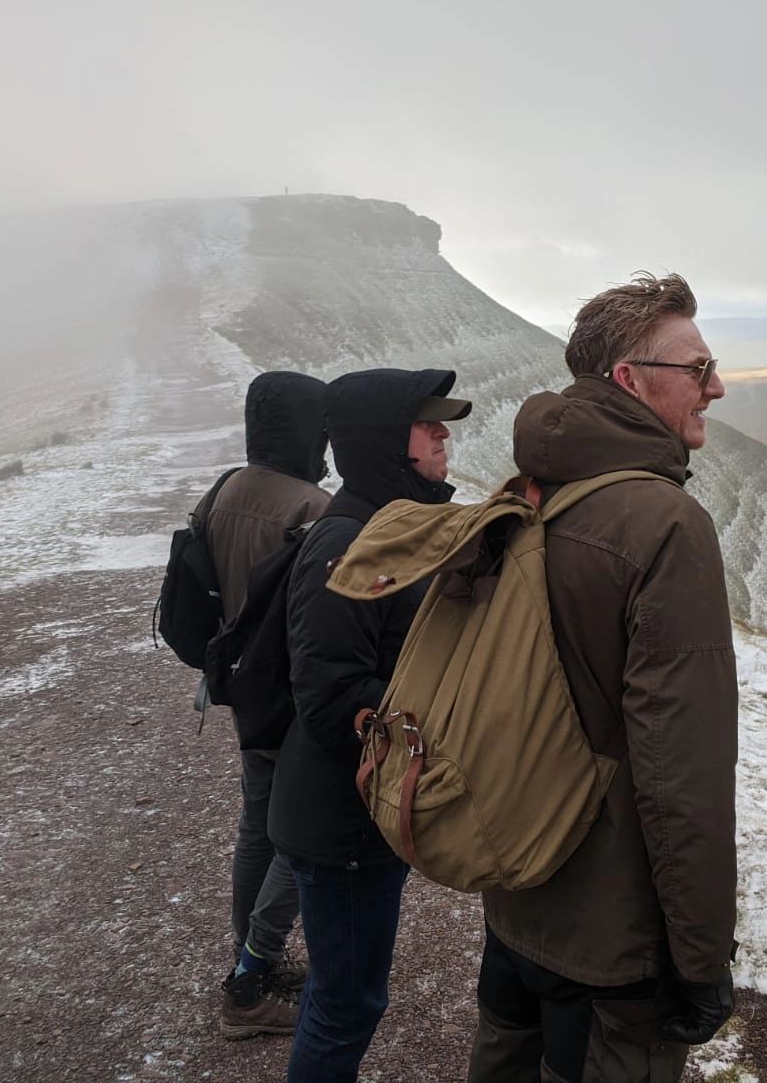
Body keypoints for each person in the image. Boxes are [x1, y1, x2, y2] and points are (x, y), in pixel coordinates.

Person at [466, 273, 738, 1083]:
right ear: (629, 379)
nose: (716, 386)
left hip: (517, 892)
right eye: (697, 368)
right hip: (614, 941)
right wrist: (697, 958)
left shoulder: (531, 492)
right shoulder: (665, 524)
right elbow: (679, 772)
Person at [269, 367, 472, 1081]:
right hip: (342, 822)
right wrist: (440, 722)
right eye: (428, 423)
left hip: (351, 811)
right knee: (346, 1003)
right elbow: (330, 696)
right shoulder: (349, 543)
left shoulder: (390, 528)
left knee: (347, 996)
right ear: (389, 442)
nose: (444, 434)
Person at [205, 370, 331, 1039]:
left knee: (258, 823)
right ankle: (249, 981)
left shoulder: (226, 490)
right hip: (297, 699)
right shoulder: (311, 508)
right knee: (301, 837)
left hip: (244, 692)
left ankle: (250, 955)